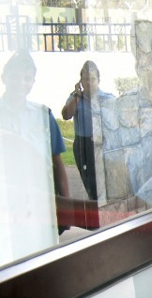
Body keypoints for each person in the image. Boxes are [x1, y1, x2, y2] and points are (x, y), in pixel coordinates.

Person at [2, 51, 68, 198]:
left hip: (40, 200)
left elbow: (57, 163)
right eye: (15, 77)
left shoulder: (44, 116)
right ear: (4, 77)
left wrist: (66, 207)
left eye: (27, 78)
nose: (21, 83)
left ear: (33, 82)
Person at [61, 60, 112, 200]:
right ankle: (94, 206)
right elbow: (66, 115)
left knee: (104, 182)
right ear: (80, 81)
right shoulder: (75, 98)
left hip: (101, 144)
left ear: (98, 80)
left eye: (92, 79)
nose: (89, 83)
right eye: (85, 79)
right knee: (89, 183)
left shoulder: (107, 98)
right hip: (83, 144)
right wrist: (77, 96)